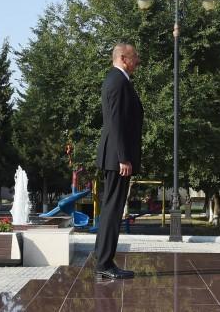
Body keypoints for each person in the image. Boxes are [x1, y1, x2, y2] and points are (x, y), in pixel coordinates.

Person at [94, 43, 144, 280]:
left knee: (111, 210)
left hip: (117, 157)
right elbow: (115, 122)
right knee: (112, 211)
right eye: (135, 57)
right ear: (123, 58)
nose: (138, 61)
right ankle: (104, 263)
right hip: (117, 158)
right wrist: (124, 157)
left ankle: (104, 260)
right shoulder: (117, 81)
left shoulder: (119, 80)